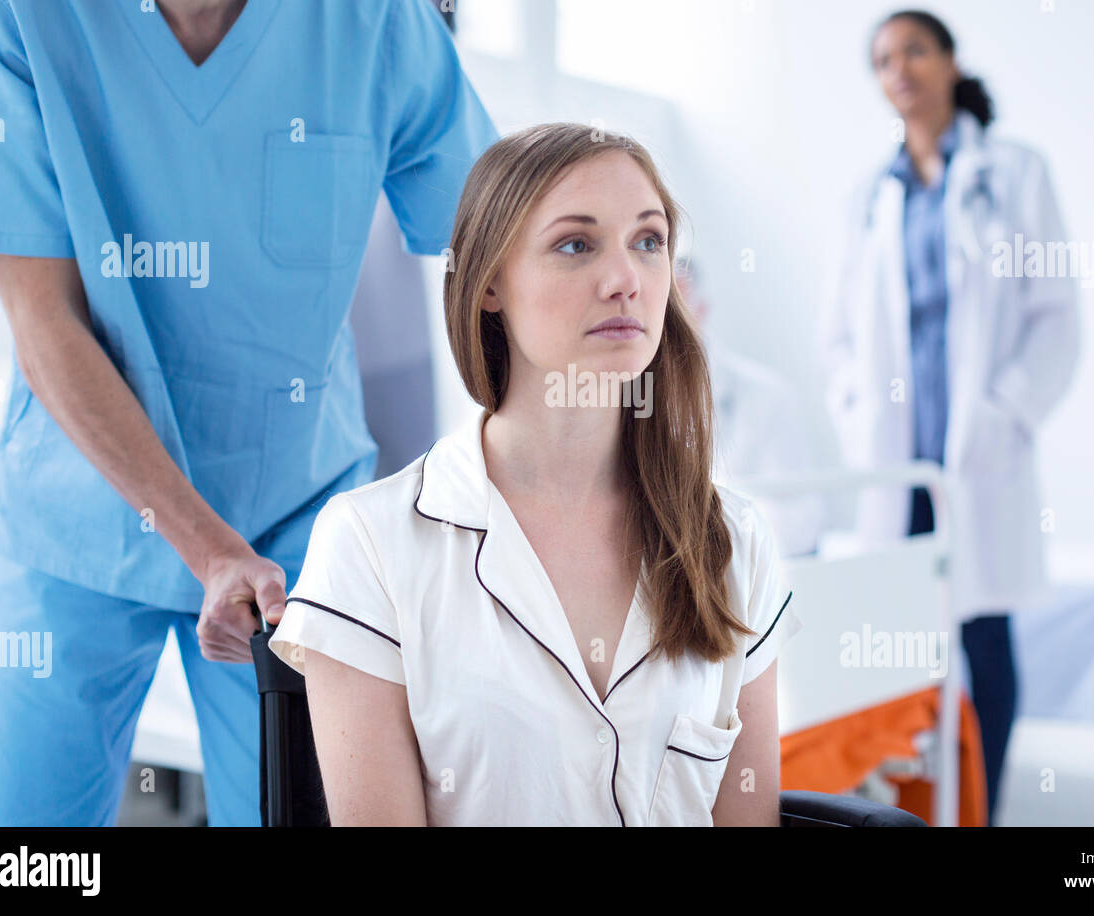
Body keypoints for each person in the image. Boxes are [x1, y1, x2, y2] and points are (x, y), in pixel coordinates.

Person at [0, 0, 497, 825]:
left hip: (300, 531)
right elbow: (42, 317)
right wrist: (208, 550)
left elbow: (496, 243)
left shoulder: (370, 13)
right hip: (79, 521)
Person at [268, 122, 803, 825]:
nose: (625, 281)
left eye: (648, 242)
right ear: (489, 284)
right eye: (575, 245)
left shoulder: (733, 540)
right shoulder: (372, 544)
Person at [819, 10, 1080, 823]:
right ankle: (920, 810)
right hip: (897, 463)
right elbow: (840, 339)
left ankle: (984, 809)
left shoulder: (1015, 172)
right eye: (883, 59)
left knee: (982, 642)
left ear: (949, 61)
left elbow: (1056, 318)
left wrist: (1003, 415)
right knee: (897, 650)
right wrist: (860, 417)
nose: (900, 69)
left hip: (975, 455)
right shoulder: (870, 196)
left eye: (915, 51)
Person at [675, 257, 823, 557]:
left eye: (676, 305)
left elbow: (798, 527)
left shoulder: (766, 397)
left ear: (701, 310)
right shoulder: (622, 402)